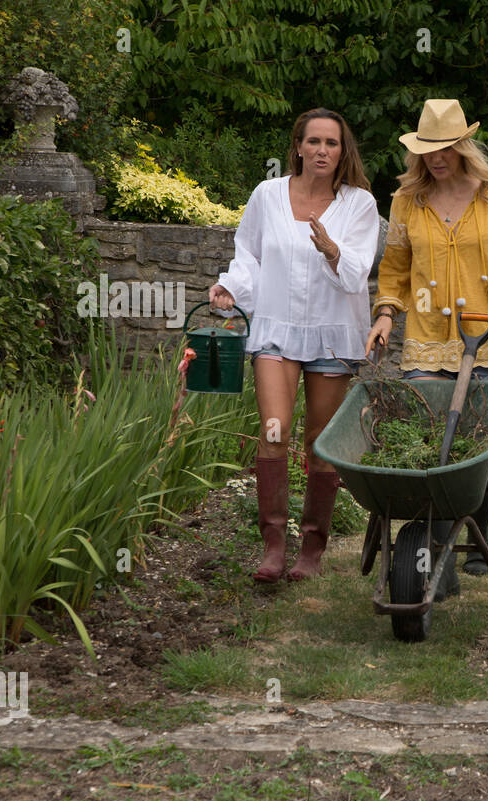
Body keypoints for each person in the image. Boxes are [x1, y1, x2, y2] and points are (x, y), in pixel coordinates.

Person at [366, 98, 488, 596]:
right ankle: (435, 553)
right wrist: (386, 314)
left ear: (463, 146)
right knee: (431, 444)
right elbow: (396, 267)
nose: (437, 157)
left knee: (475, 448)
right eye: (428, 149)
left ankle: (474, 528)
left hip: (486, 339)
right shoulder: (407, 200)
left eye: (446, 147)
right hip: (428, 340)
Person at [210, 107, 379, 583]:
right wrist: (231, 290)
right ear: (299, 147)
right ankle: (273, 545)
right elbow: (249, 256)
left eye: (332, 143)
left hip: (332, 332)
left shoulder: (359, 205)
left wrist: (332, 249)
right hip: (277, 330)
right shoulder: (267, 195)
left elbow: (356, 273)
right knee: (273, 430)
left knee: (320, 444)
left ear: (342, 152)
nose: (323, 150)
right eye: (314, 142)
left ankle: (312, 549)